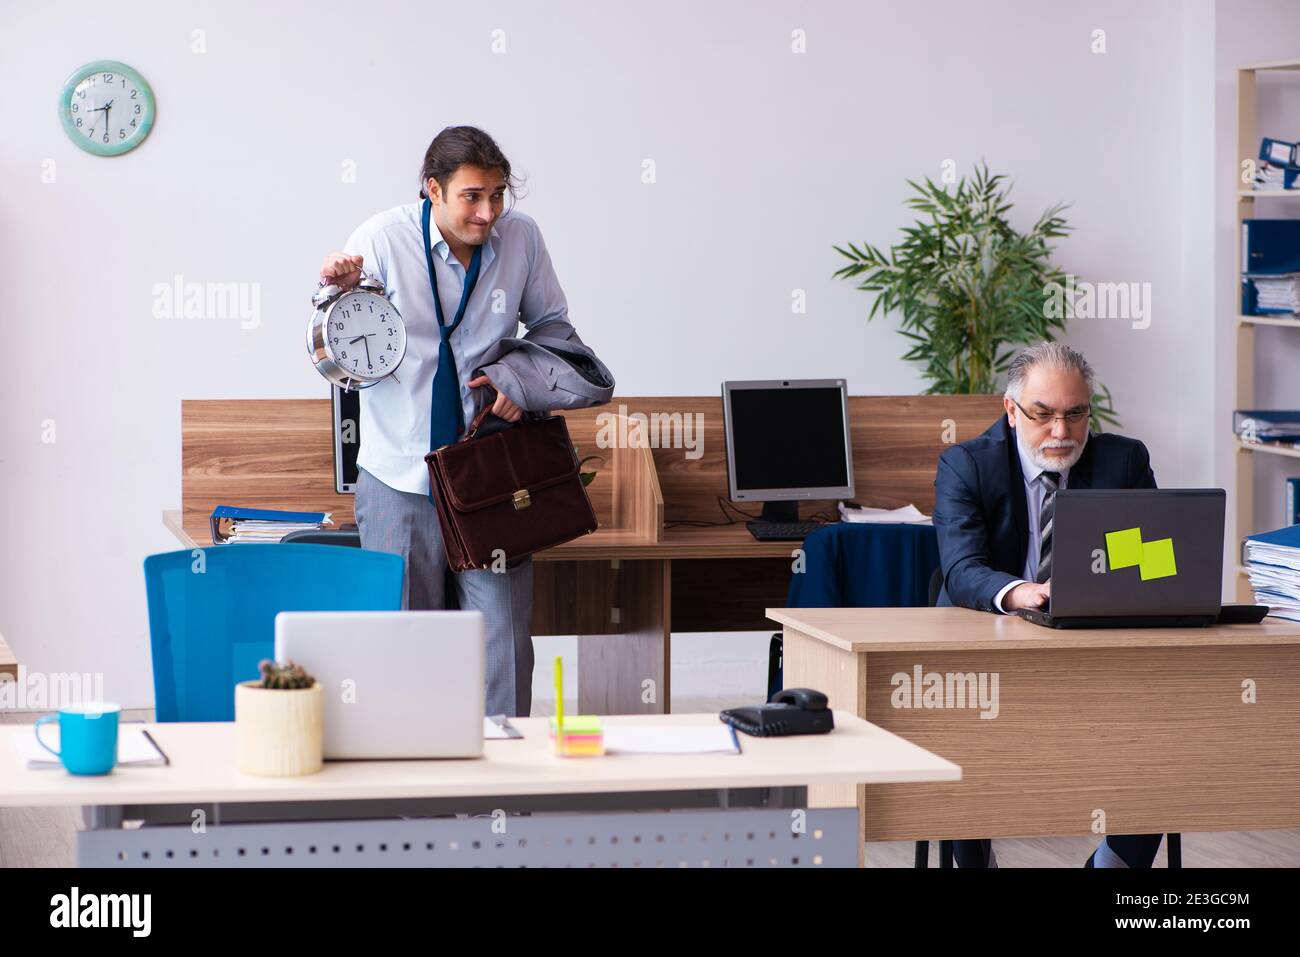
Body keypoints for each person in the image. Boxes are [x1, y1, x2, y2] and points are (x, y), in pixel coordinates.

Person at [318, 126, 576, 718]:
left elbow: (554, 330)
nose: (488, 213)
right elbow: (332, 347)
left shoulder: (522, 239)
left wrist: (521, 384)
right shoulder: (381, 240)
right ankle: (412, 801)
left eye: (498, 195)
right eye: (471, 196)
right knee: (405, 652)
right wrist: (339, 294)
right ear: (432, 190)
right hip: (398, 479)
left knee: (503, 651)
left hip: (489, 478)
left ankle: (502, 801)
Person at [931, 340, 1163, 868]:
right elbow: (962, 568)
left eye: (1075, 414)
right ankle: (973, 860)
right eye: (1043, 415)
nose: (1061, 433)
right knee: (965, 730)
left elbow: (1151, 560)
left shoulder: (1123, 462)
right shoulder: (967, 465)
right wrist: (1025, 593)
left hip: (1093, 647)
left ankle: (1114, 866)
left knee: (1163, 723)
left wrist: (1100, 576)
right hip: (987, 648)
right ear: (1011, 412)